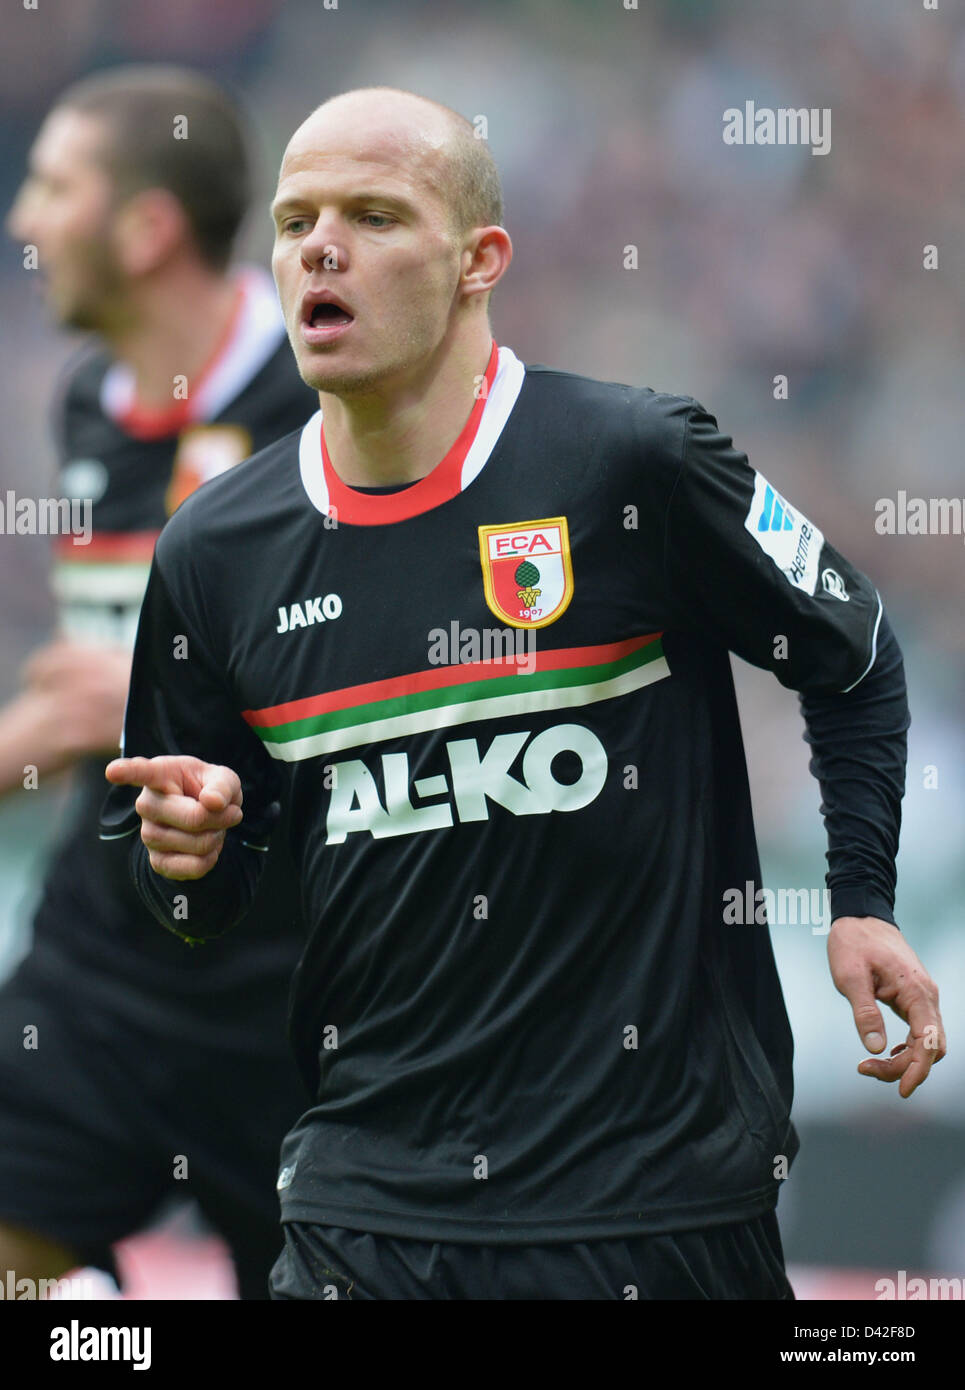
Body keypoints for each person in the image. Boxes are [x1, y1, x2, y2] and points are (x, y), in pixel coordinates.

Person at [104, 86, 946, 1301]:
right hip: (367, 1208)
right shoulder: (212, 553)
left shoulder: (632, 461)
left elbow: (852, 652)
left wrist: (859, 901)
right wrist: (184, 863)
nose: (319, 249)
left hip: (656, 1206)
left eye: (373, 215)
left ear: (476, 262)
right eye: (294, 223)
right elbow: (193, 906)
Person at [1, 66, 316, 1299]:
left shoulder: (317, 403)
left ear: (144, 228)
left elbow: (407, 671)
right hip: (100, 964)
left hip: (295, 986)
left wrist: (149, 697)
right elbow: (81, 719)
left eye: (51, 186)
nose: (24, 219)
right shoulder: (87, 404)